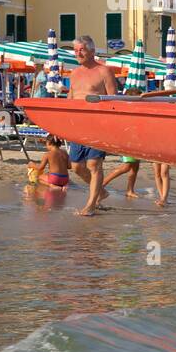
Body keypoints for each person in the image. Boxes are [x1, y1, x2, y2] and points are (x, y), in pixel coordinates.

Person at [67, 35, 118, 216]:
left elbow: (114, 100)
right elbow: (70, 99)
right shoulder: (74, 73)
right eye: (76, 50)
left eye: (82, 49)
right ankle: (101, 192)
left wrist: (111, 127)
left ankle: (91, 204)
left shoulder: (104, 71)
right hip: (78, 126)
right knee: (76, 166)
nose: (78, 53)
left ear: (92, 51)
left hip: (98, 125)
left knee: (93, 164)